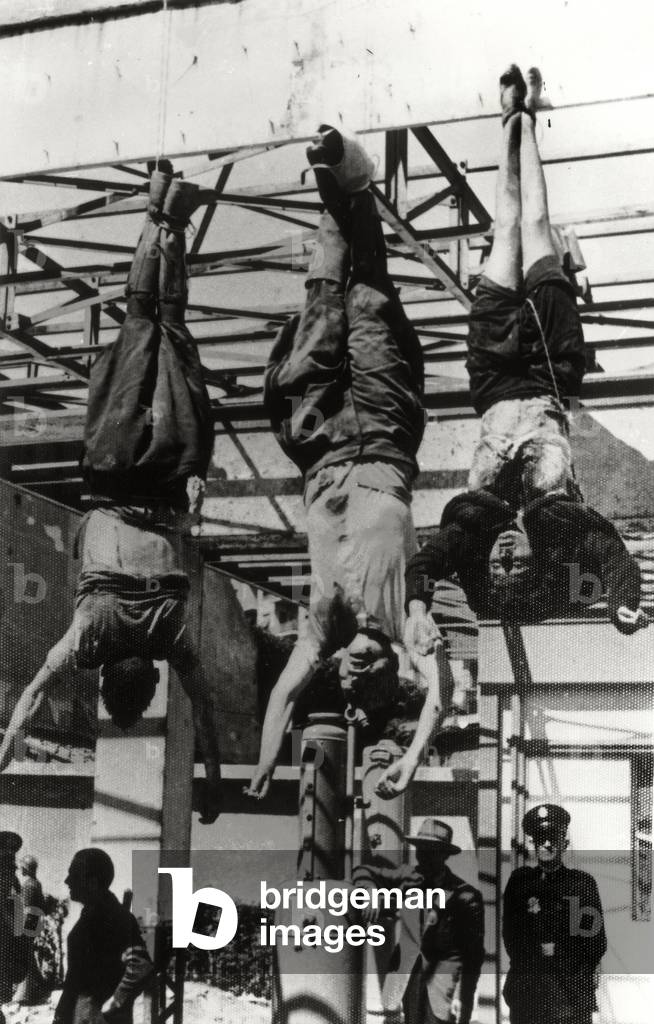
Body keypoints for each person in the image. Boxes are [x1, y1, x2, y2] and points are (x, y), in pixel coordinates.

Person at [0, 169, 222, 824]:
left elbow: (205, 712)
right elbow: (36, 691)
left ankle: (171, 225)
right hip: (109, 471)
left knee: (173, 331)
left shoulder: (172, 638)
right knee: (136, 326)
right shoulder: (87, 637)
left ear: (151, 676)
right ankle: (157, 214)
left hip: (169, 476)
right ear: (104, 675)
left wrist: (209, 777)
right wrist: (7, 743)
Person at [404, 66, 646, 652]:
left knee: (504, 229)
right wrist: (623, 602)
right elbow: (610, 551)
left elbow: (426, 565)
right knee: (534, 225)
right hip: (550, 372)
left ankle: (505, 118)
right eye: (519, 570)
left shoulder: (471, 528)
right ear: (539, 565)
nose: (506, 561)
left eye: (497, 572)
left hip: (492, 377)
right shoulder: (558, 517)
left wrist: (416, 610)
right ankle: (526, 118)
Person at [246, 126, 435, 799]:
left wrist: (270, 760)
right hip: (382, 436)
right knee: (370, 303)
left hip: (323, 447)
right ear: (393, 678)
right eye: (366, 689)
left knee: (323, 310)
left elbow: (284, 699)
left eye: (346, 687)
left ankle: (337, 192)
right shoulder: (412, 630)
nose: (350, 681)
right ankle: (352, 189)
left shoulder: (322, 631)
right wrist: (408, 762)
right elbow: (436, 705)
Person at [356, 818, 484, 1024]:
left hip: (444, 983)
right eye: (420, 849)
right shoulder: (408, 877)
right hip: (407, 977)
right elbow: (363, 871)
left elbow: (473, 955)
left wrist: (464, 994)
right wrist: (370, 891)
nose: (423, 856)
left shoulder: (466, 896)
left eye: (431, 850)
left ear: (444, 855)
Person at [502, 803, 606, 1024]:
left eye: (554, 838)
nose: (547, 844)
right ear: (532, 843)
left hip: (570, 997)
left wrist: (554, 949)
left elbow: (594, 942)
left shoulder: (581, 885)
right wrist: (546, 950)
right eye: (541, 838)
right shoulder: (520, 883)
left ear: (565, 843)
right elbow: (513, 939)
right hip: (528, 997)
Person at [54, 848, 153, 1024]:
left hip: (94, 1015)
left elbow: (141, 964)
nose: (67, 881)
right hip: (80, 1012)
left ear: (92, 882)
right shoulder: (93, 914)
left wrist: (112, 1004)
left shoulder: (114, 916)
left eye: (73, 875)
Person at [0, 832, 31, 1023]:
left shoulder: (20, 887)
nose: (9, 874)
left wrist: (27, 938)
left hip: (9, 959)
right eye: (4, 868)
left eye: (11, 868)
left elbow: (32, 917)